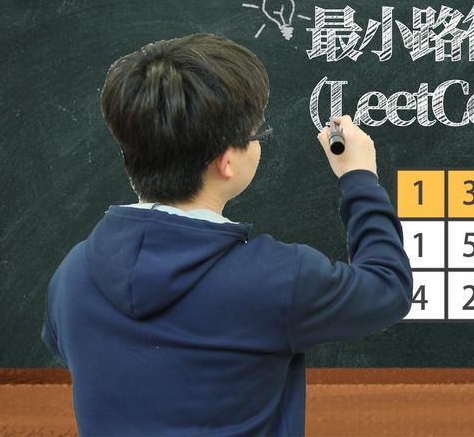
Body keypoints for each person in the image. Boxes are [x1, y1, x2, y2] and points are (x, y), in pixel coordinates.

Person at [40, 32, 413, 436]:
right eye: (256, 134)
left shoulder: (73, 274)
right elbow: (388, 288)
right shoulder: (277, 279)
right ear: (226, 161)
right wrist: (359, 177)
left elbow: (68, 347)